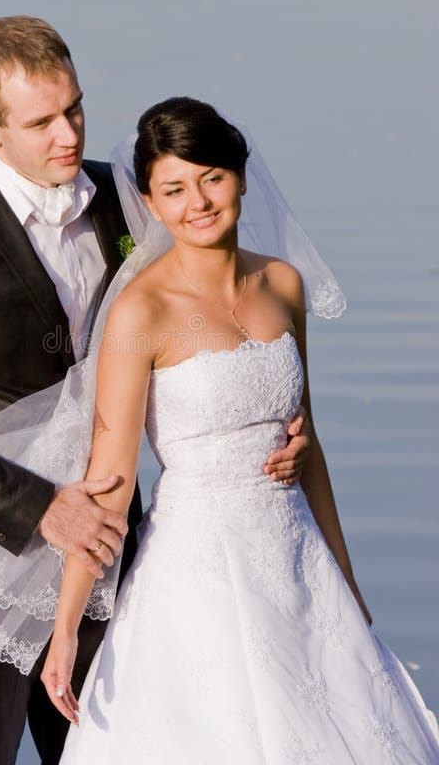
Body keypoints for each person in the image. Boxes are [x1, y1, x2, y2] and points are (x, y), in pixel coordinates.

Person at [0, 21, 309, 765]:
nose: (67, 134)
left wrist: (272, 421)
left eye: (74, 108)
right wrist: (44, 508)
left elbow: (215, 310)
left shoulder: (128, 203)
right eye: (40, 122)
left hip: (117, 562)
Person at [34, 98, 438, 763]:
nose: (197, 201)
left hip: (299, 563)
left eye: (211, 177)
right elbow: (109, 479)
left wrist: (348, 583)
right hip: (199, 571)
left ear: (242, 176)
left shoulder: (282, 283)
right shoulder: (143, 309)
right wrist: (68, 625)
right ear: (151, 203)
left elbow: (309, 446)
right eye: (174, 188)